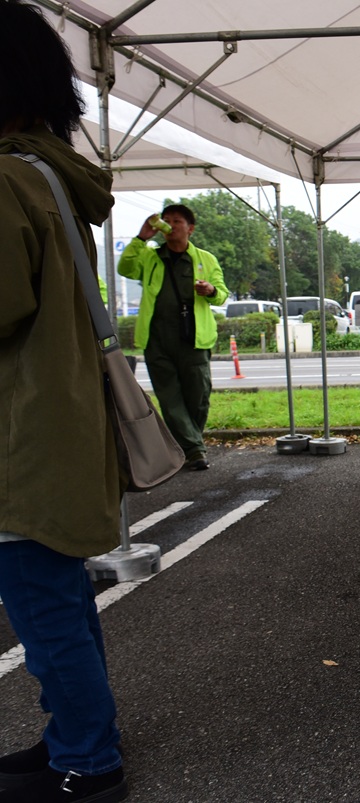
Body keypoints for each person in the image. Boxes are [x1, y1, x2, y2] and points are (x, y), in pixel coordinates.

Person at [0, 2, 129, 801]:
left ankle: (88, 759)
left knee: (45, 608)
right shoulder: (49, 170)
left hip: (22, 431)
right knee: (62, 599)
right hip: (62, 419)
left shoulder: (7, 179)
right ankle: (75, 738)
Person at [118, 204, 228, 470]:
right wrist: (142, 237)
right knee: (169, 397)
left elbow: (222, 294)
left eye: (176, 221)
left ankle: (189, 445)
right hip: (157, 339)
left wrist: (211, 289)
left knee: (198, 397)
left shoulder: (205, 259)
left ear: (190, 228)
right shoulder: (150, 256)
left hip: (194, 338)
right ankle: (194, 449)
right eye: (165, 221)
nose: (169, 225)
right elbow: (125, 268)